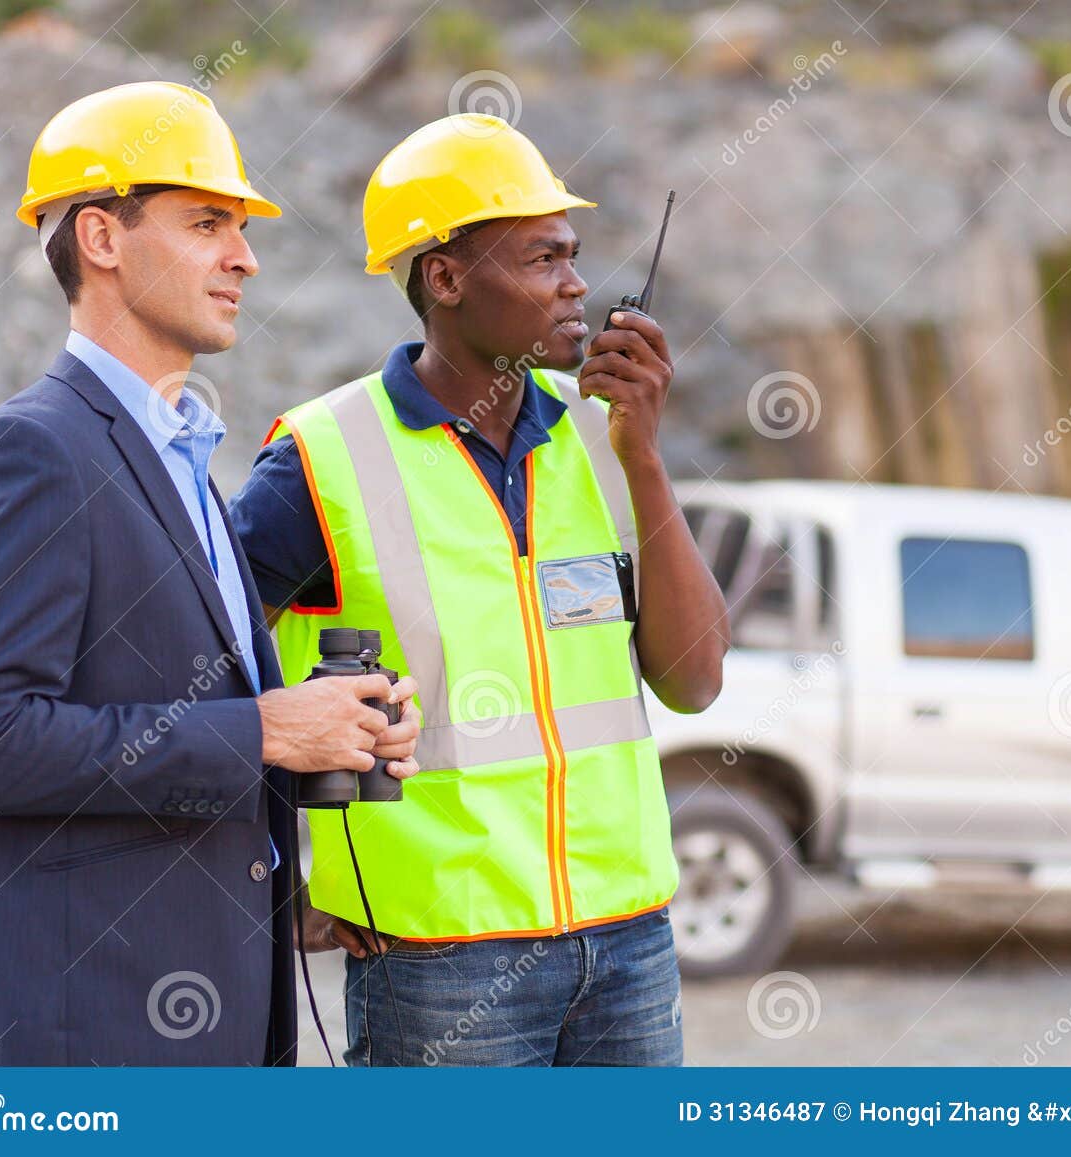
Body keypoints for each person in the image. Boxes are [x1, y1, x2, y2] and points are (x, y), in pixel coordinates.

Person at [0, 81, 421, 1066]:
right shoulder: (31, 454)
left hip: (218, 1024)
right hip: (94, 1047)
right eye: (206, 224)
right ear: (101, 237)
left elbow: (169, 721)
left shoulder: (186, 464)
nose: (245, 257)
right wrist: (265, 729)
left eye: (241, 228)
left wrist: (319, 752)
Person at [230, 113, 728, 1067]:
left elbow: (696, 680)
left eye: (573, 256)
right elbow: (207, 670)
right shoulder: (323, 458)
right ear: (446, 279)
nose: (575, 284)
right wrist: (281, 879)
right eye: (543, 258)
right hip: (439, 956)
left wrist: (646, 458)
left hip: (628, 941)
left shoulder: (605, 437)